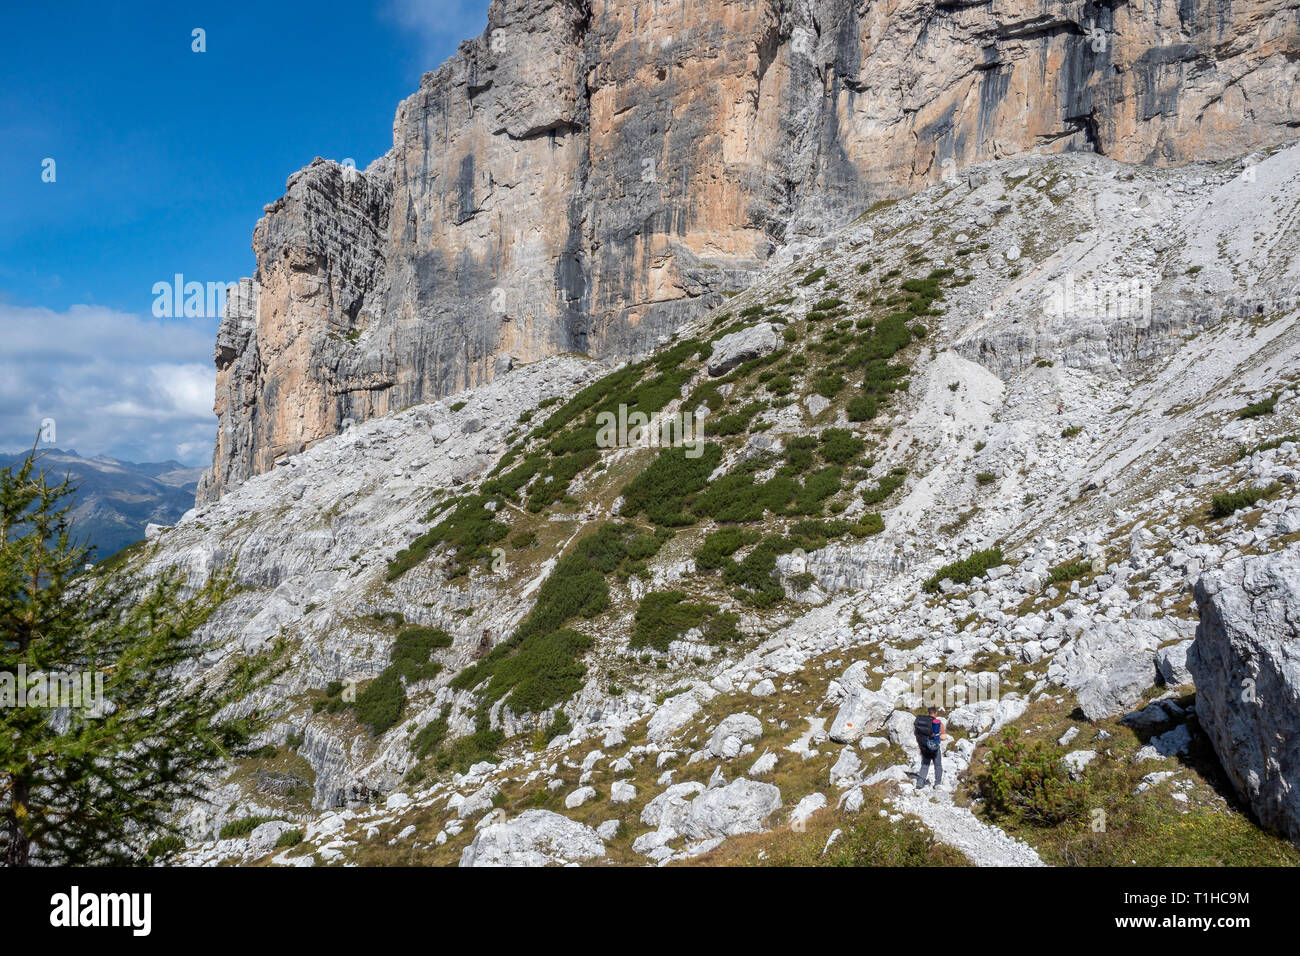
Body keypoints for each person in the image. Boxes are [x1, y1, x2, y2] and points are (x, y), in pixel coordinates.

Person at [913, 705, 947, 789]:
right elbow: (944, 737)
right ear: (936, 713)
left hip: (924, 747)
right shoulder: (938, 723)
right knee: (938, 765)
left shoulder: (922, 722)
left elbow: (917, 734)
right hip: (934, 748)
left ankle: (920, 783)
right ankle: (937, 783)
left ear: (928, 713)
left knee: (925, 765)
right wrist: (937, 736)